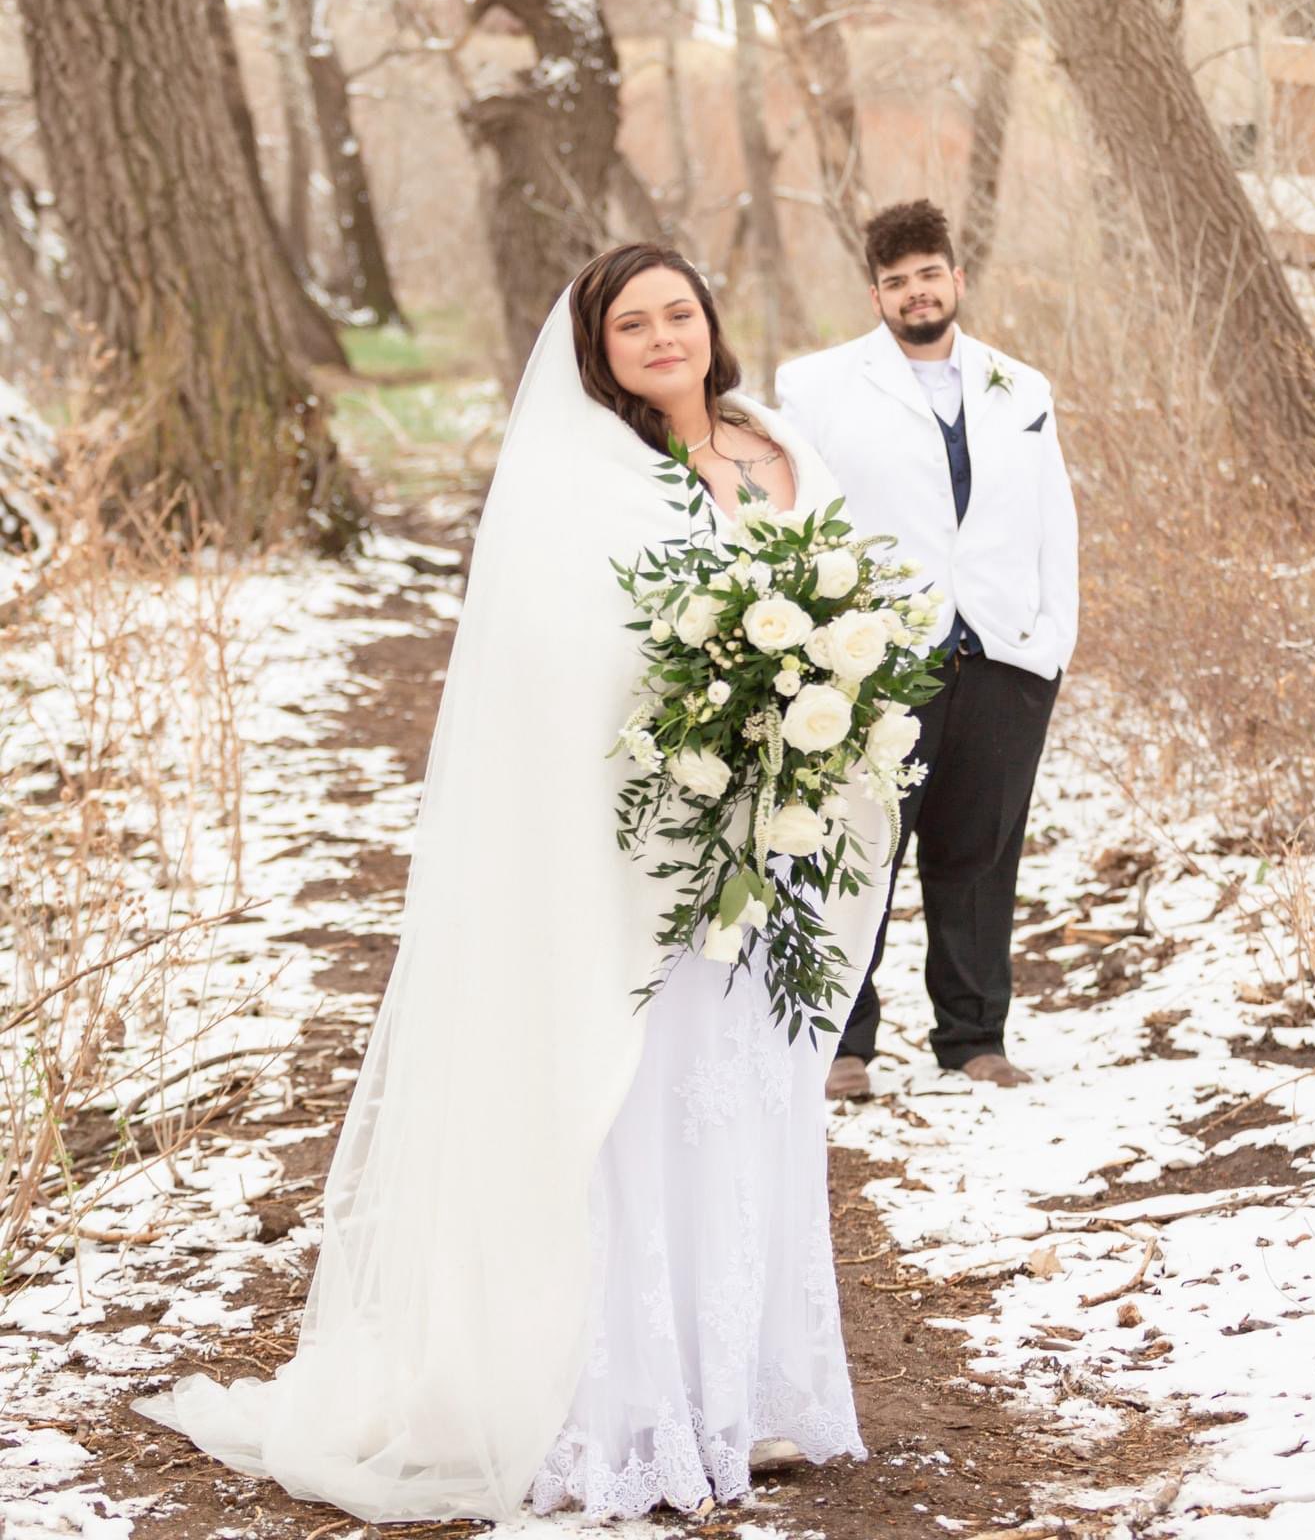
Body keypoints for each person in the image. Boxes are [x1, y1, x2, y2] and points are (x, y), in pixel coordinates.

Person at [134, 243, 894, 1526]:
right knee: (636, 1109)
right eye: (632, 323)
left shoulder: (774, 445)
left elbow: (856, 590)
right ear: (597, 351)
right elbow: (551, 666)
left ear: (712, 324)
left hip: (776, 847)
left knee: (747, 1100)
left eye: (679, 312)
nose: (663, 336)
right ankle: (626, 1406)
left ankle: (746, 1391)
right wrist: (697, 738)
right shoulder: (581, 476)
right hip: (636, 853)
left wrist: (821, 718)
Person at [777, 200, 1078, 1101]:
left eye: (929, 274)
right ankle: (840, 1042)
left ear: (956, 277)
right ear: (875, 293)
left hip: (1002, 653)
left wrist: (1049, 640)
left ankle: (973, 1037)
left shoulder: (1019, 388)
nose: (916, 292)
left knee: (980, 852)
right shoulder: (815, 387)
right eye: (896, 281)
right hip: (876, 659)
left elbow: (1052, 522)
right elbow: (798, 524)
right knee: (856, 847)